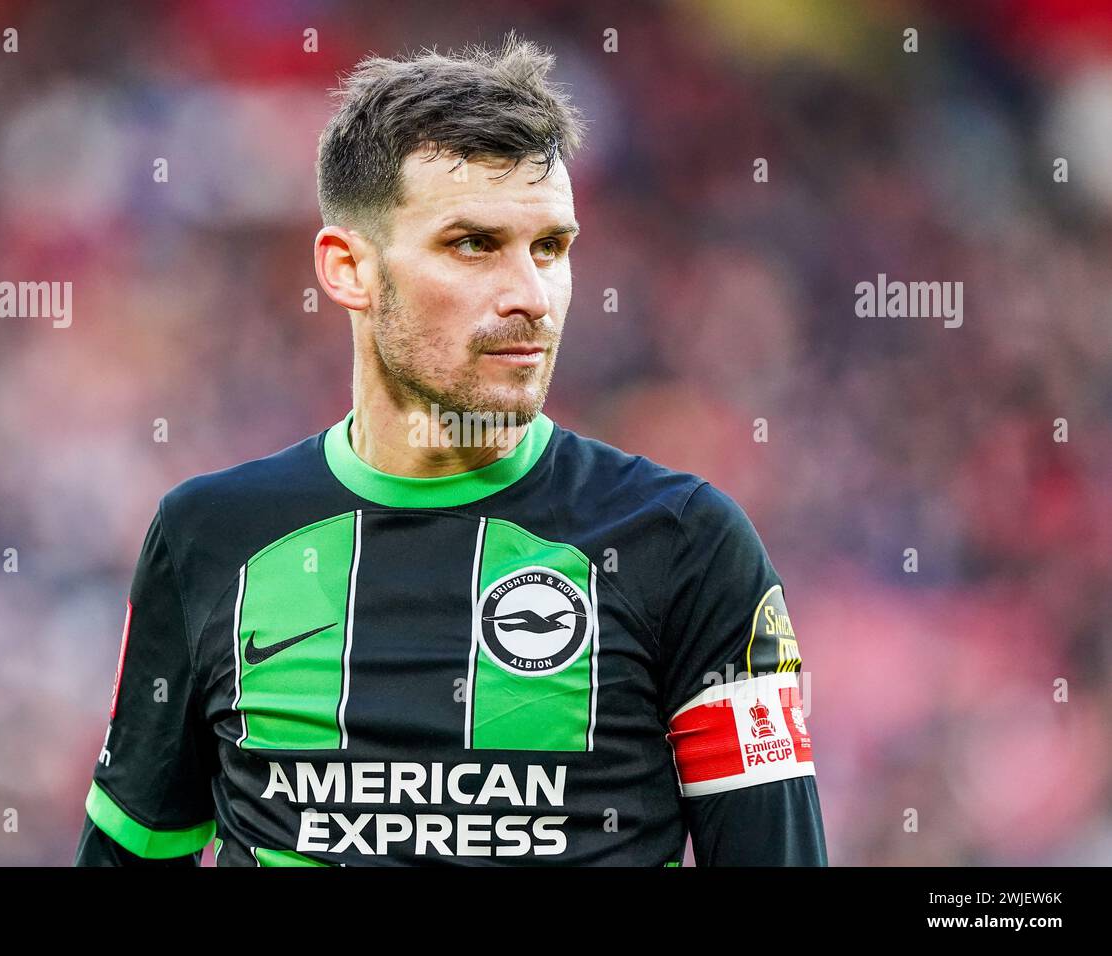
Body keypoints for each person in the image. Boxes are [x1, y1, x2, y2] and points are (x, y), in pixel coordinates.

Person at [74, 33, 827, 866]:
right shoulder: (209, 540)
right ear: (348, 269)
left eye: (551, 248)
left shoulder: (685, 546)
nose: (531, 297)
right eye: (473, 244)